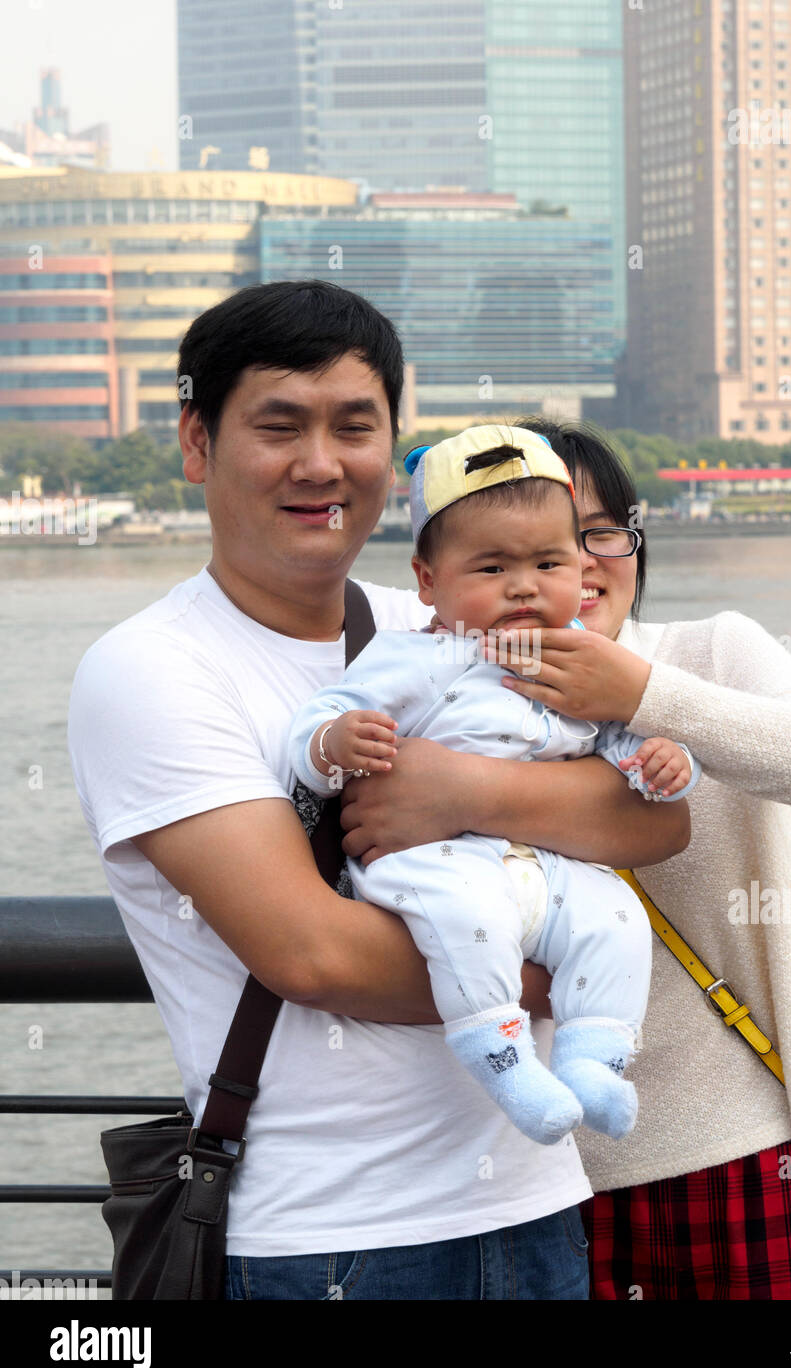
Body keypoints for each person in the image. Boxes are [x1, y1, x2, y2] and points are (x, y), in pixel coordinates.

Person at [65, 281, 690, 1302]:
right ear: (196, 442)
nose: (321, 463)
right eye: (279, 425)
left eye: (355, 425)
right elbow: (314, 951)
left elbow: (653, 816)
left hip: (535, 1204)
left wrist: (453, 786)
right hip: (333, 1242)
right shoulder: (152, 670)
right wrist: (562, 976)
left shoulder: (454, 609)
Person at [470, 416, 791, 1300]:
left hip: (757, 1149)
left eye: (601, 533)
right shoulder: (450, 707)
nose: (580, 564)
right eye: (543, 542)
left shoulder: (708, 653)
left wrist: (644, 693)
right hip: (550, 1181)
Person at [286, 425, 700, 1147]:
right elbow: (318, 722)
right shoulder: (417, 658)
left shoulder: (579, 664)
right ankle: (501, 1054)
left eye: (547, 562)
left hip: (548, 871)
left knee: (617, 918)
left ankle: (595, 1057)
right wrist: (333, 742)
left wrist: (664, 763)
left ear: (578, 566)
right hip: (439, 863)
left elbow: (620, 745)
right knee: (465, 918)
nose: (523, 585)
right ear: (428, 581)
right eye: (490, 569)